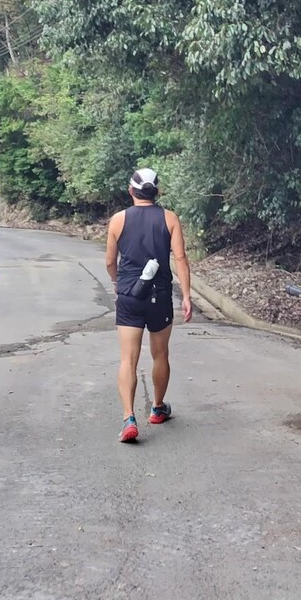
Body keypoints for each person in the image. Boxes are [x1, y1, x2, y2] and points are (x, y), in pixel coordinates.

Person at [105, 168, 193, 443]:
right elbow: (180, 258)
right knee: (160, 354)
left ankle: (129, 417)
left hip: (131, 295)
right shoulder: (170, 219)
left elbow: (109, 261)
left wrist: (117, 281)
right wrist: (187, 296)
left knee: (127, 359)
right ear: (158, 191)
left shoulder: (118, 220)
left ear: (130, 191)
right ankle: (157, 408)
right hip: (160, 295)